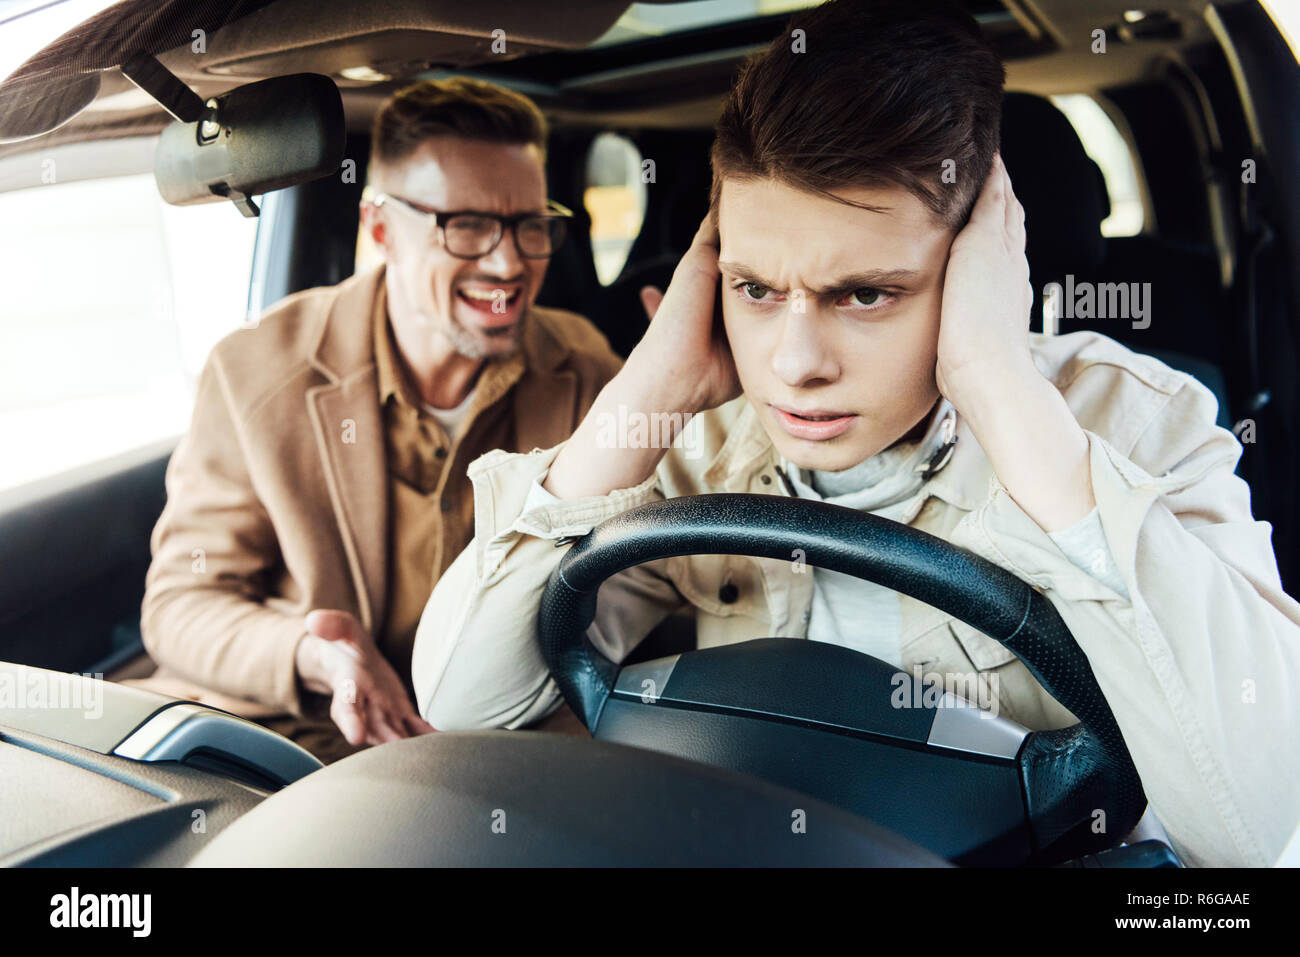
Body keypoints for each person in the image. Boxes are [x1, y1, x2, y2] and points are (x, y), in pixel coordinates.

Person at [411, 0, 1300, 867]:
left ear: (975, 266)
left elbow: (1263, 827)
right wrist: (653, 382)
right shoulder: (696, 439)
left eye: (865, 294)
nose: (793, 364)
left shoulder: (1138, 420)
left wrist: (998, 385)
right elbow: (467, 704)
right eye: (756, 288)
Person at [133, 77, 622, 762]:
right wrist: (315, 655)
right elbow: (182, 604)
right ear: (382, 229)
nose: (509, 262)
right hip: (292, 738)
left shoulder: (587, 369)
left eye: (530, 225)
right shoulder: (253, 372)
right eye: (469, 225)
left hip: (494, 753)